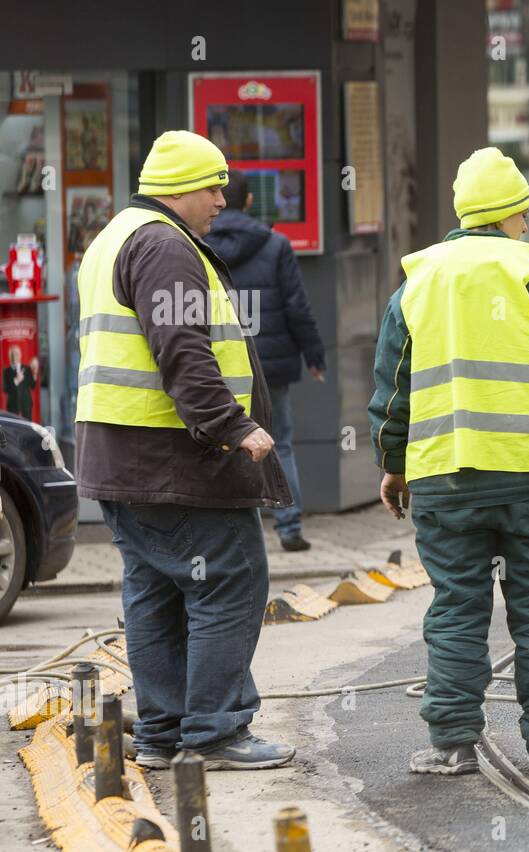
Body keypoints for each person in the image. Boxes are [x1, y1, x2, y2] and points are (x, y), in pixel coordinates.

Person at [369, 147, 529, 776]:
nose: (527, 227)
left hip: (445, 479)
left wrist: (392, 464)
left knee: (455, 608)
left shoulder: (417, 284)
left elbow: (393, 391)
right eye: (523, 215)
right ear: (506, 215)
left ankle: (452, 743)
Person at [75, 130, 295, 770]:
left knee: (155, 590)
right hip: (173, 460)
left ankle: (164, 733)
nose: (223, 198)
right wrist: (233, 425)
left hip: (121, 459)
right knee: (230, 579)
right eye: (213, 185)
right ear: (179, 189)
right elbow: (183, 352)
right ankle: (217, 731)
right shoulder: (165, 245)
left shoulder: (113, 237)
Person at [207, 167, 326, 552]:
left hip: (221, 362)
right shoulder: (275, 244)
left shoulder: (197, 242)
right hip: (269, 364)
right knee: (281, 443)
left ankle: (246, 529)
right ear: (251, 200)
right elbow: (297, 307)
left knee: (229, 444)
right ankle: (289, 526)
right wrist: (315, 356)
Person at [3, 347, 34, 419]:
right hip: (13, 406)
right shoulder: (6, 371)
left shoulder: (27, 369)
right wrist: (16, 381)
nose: (15, 356)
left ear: (20, 355)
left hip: (26, 405)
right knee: (13, 427)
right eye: (13, 354)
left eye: (17, 353)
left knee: (27, 427)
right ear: (10, 356)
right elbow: (5, 389)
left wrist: (35, 374)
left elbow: (32, 385)